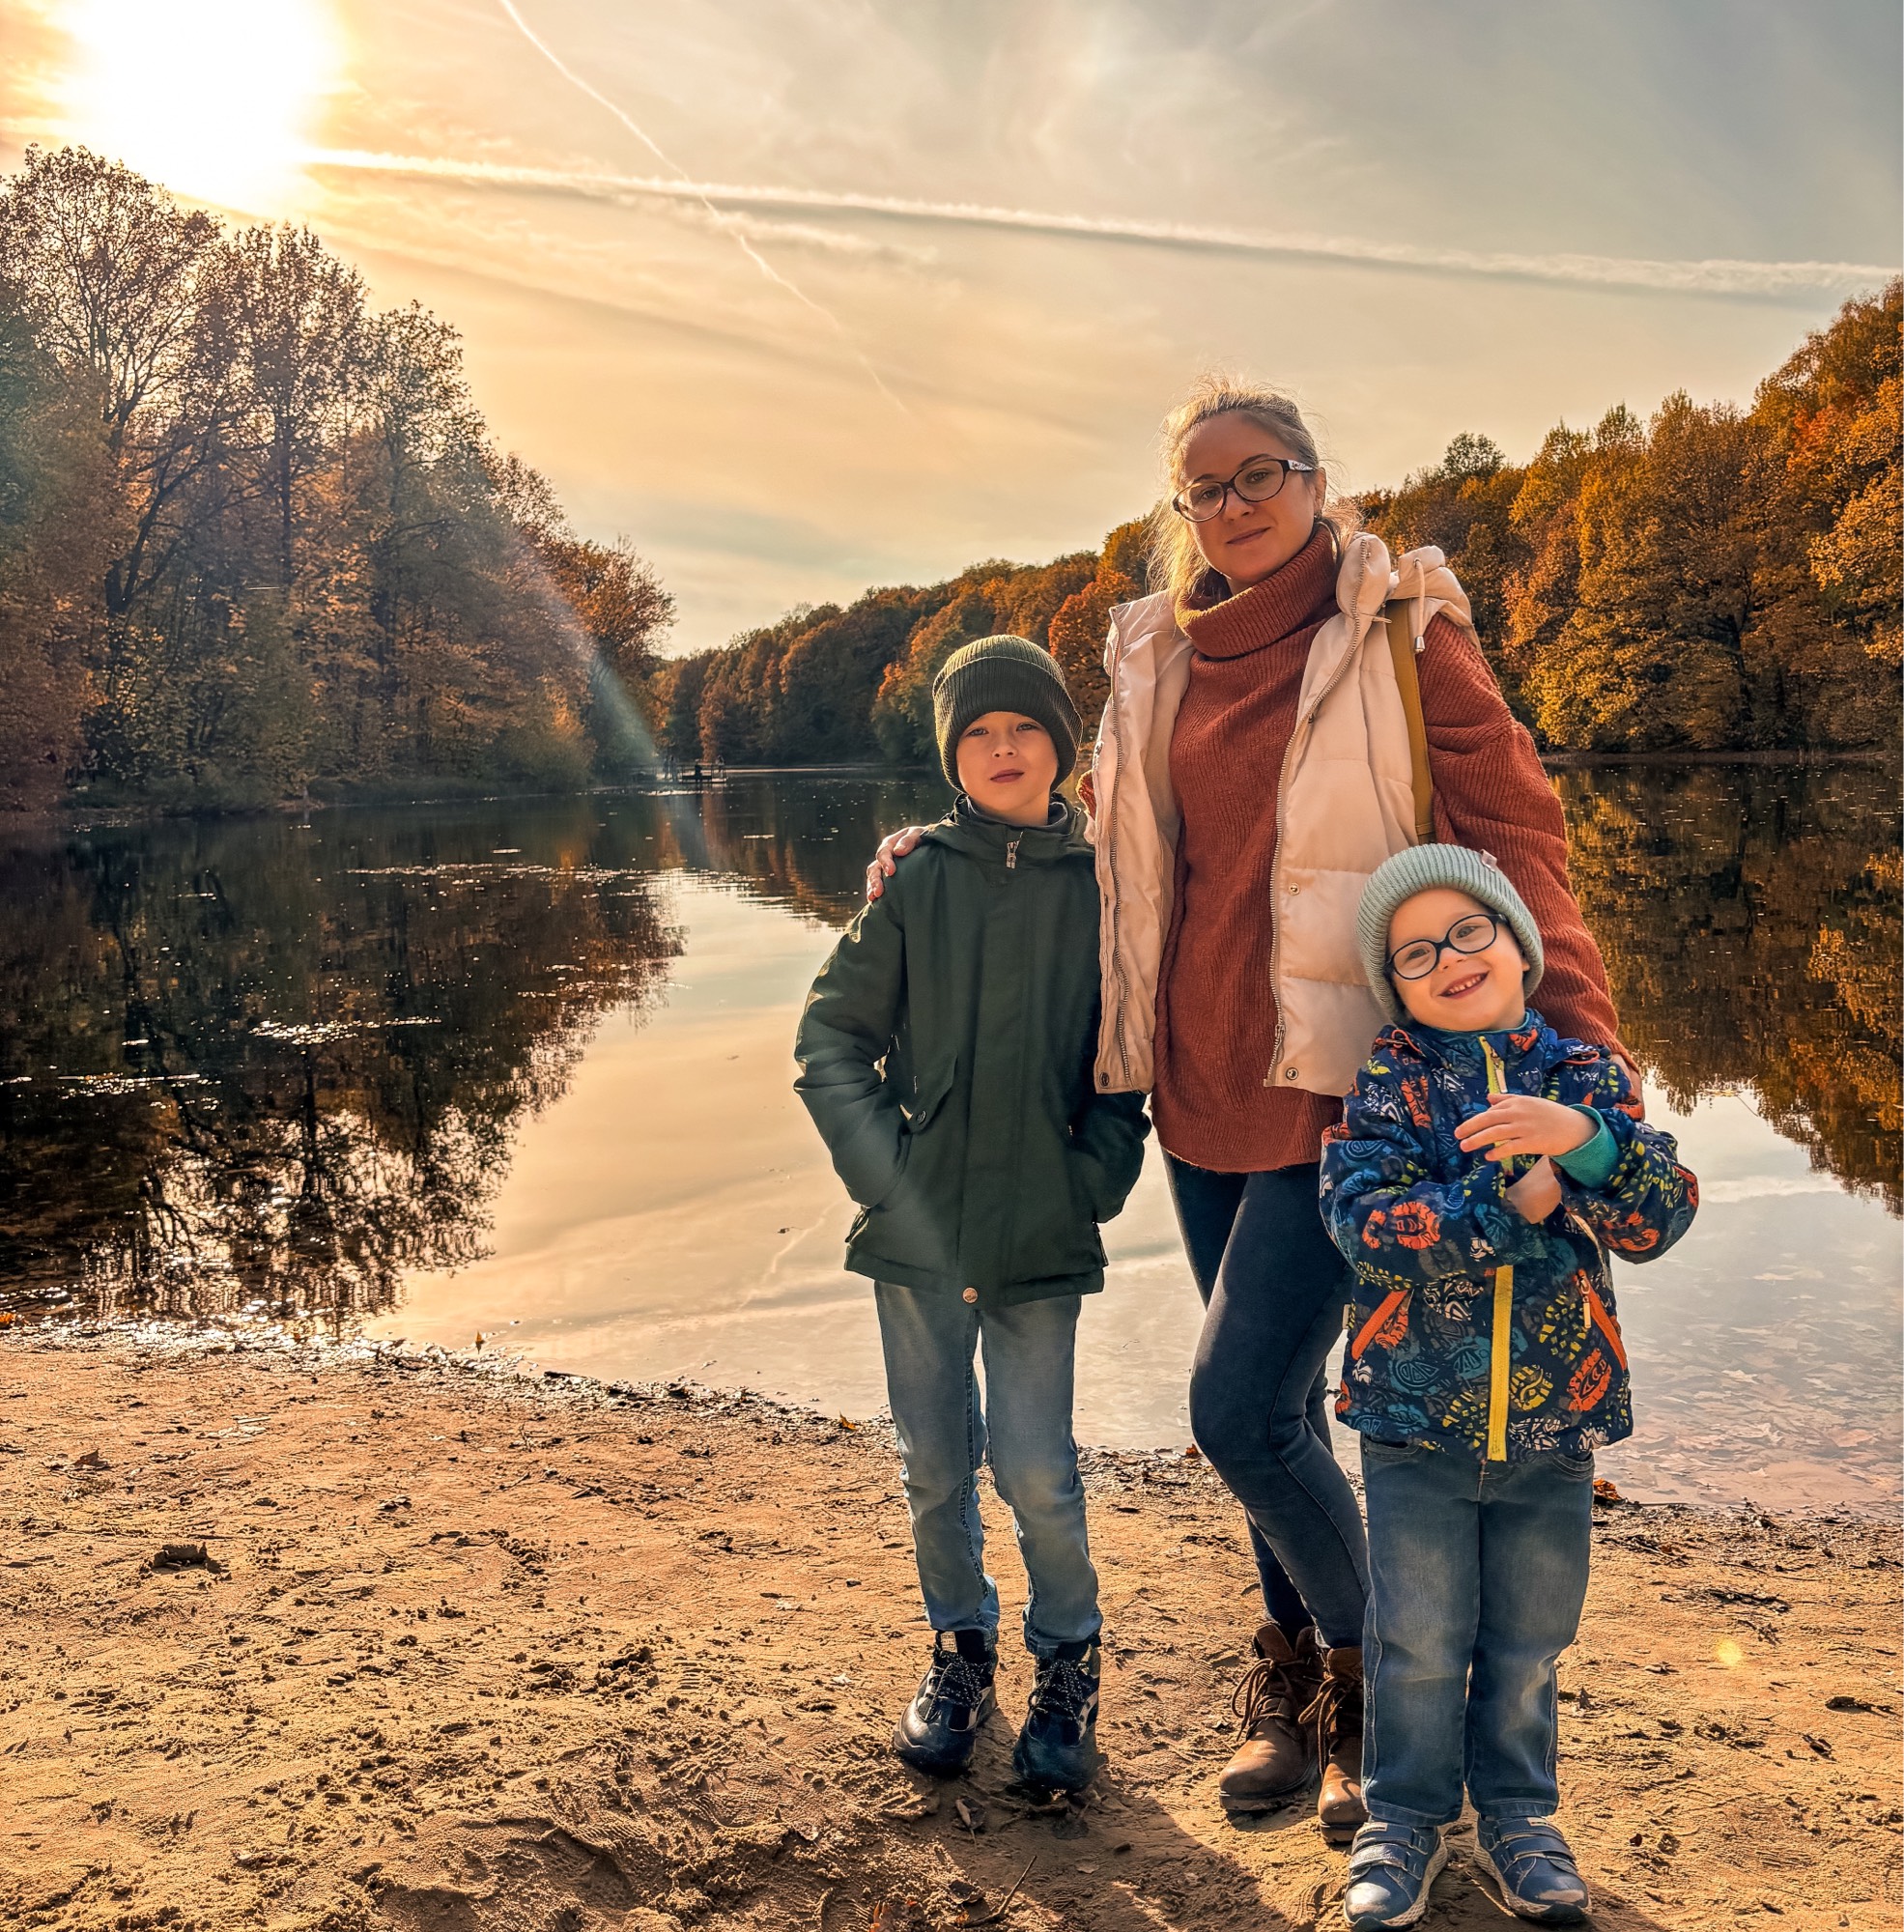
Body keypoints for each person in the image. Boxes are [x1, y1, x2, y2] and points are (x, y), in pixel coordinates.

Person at [868, 380, 1634, 1834]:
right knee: (1275, 1409)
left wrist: (1586, 1057)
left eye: (1255, 477)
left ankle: (1379, 1694)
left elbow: (1515, 831)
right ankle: (1295, 1685)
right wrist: (942, 849)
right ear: (1179, 516)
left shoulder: (1399, 629)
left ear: (1309, 477)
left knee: (1232, 1413)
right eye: (1201, 490)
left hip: (1350, 1090)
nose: (1230, 508)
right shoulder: (1155, 651)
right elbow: (1103, 827)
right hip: (1198, 1084)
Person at [796, 635, 1150, 1794]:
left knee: (1040, 1468)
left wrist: (1089, 1184)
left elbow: (1125, 1069)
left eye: (1026, 729)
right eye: (980, 734)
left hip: (1042, 1238)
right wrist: (888, 1177)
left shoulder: (1105, 889)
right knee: (935, 1463)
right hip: (916, 1238)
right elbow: (830, 1043)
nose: (1005, 749)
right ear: (953, 754)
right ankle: (959, 1645)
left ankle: (1068, 1661)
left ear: (1063, 745)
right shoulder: (918, 881)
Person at [1320, 844, 1697, 1929]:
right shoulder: (1389, 1087)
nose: (1449, 959)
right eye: (1416, 952)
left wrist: (1582, 1145)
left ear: (1520, 945)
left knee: (1530, 1640)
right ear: (1394, 986)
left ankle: (1521, 1816)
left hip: (1552, 1426)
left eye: (1470, 931)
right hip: (1411, 1424)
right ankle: (1405, 1814)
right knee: (1419, 1639)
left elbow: (1660, 1211)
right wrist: (1502, 1209)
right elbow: (1362, 1223)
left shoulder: (1583, 1078)